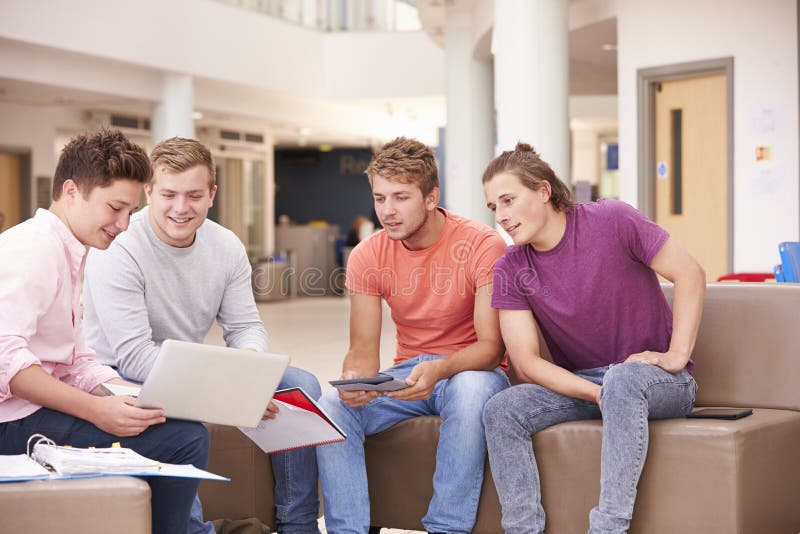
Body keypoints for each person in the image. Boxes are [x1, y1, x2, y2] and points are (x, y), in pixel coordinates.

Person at [82, 137, 322, 534]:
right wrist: (228, 398)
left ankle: (297, 524)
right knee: (174, 421)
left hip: (190, 366)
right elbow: (135, 357)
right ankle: (192, 528)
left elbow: (244, 326)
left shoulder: (225, 245)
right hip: (117, 377)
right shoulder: (119, 248)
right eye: (169, 194)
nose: (181, 208)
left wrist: (251, 371)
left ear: (212, 194)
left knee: (301, 386)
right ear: (149, 192)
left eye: (194, 195)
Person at [481, 143, 706, 534]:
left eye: (508, 201)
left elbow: (690, 273)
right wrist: (596, 393)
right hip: (586, 384)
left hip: (658, 382)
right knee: (501, 409)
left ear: (543, 190)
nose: (502, 217)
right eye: (493, 208)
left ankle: (607, 528)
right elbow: (527, 362)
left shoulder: (612, 219)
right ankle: (522, 529)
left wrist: (676, 354)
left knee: (622, 380)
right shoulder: (511, 267)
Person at [0, 129, 209, 534]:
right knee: (185, 440)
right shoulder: (34, 249)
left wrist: (135, 398)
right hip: (9, 423)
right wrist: (97, 410)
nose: (123, 224)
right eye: (115, 208)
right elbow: (6, 361)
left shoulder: (69, 249)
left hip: (28, 412)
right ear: (72, 190)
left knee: (175, 421)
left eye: (131, 212)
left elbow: (79, 362)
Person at [316, 137, 510, 534]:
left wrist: (440, 369)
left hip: (471, 370)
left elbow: (491, 348)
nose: (387, 211)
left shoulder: (481, 244)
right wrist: (356, 381)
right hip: (407, 373)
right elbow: (362, 351)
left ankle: (446, 527)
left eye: (400, 197)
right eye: (380, 198)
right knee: (332, 405)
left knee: (470, 391)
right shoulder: (367, 255)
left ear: (430, 197)